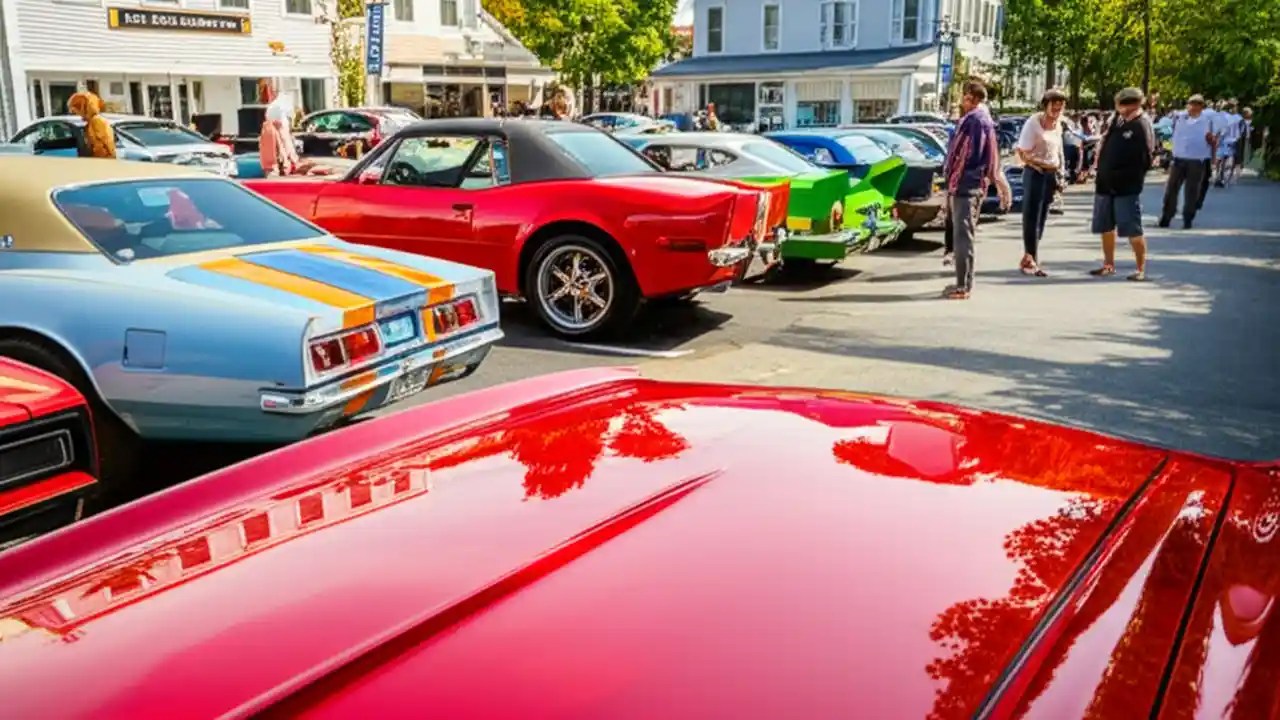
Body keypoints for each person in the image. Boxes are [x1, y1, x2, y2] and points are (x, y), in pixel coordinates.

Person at [940, 80, 1012, 300]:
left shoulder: (976, 121)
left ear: (970, 97)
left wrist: (999, 183)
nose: (962, 100)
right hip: (964, 184)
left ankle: (963, 286)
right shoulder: (978, 120)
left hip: (966, 185)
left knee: (963, 236)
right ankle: (962, 282)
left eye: (964, 96)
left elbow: (971, 156)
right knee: (962, 234)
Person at [1088, 88, 1155, 281]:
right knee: (1106, 227)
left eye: (1124, 104)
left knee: (1132, 228)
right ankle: (1108, 265)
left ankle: (1140, 269)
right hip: (1105, 183)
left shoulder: (1141, 125)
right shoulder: (1116, 122)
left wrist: (1129, 177)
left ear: (1134, 104)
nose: (1120, 107)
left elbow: (1145, 158)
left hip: (1126, 186)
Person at [1015, 88, 1067, 277]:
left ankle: (1030, 256)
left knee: (1042, 217)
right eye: (1054, 106)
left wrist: (1061, 174)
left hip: (1051, 174)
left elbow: (1059, 151)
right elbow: (1021, 151)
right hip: (1035, 172)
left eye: (1060, 107)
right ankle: (1032, 259)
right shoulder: (1033, 123)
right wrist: (1036, 163)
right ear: (1046, 105)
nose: (1057, 111)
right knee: (1031, 217)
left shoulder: (1058, 125)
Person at [1160, 95, 1217, 229]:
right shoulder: (1179, 117)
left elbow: (1213, 140)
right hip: (1179, 157)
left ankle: (1188, 218)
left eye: (1197, 104)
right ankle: (1166, 216)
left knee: (1192, 191)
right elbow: (1166, 129)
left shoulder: (1207, 120)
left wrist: (1213, 157)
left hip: (1197, 159)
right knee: (1171, 188)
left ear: (1202, 107)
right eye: (1191, 104)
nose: (1193, 107)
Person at [67, 91, 115, 159]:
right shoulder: (91, 122)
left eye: (75, 110)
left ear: (83, 108)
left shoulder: (97, 121)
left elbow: (105, 146)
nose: (75, 114)